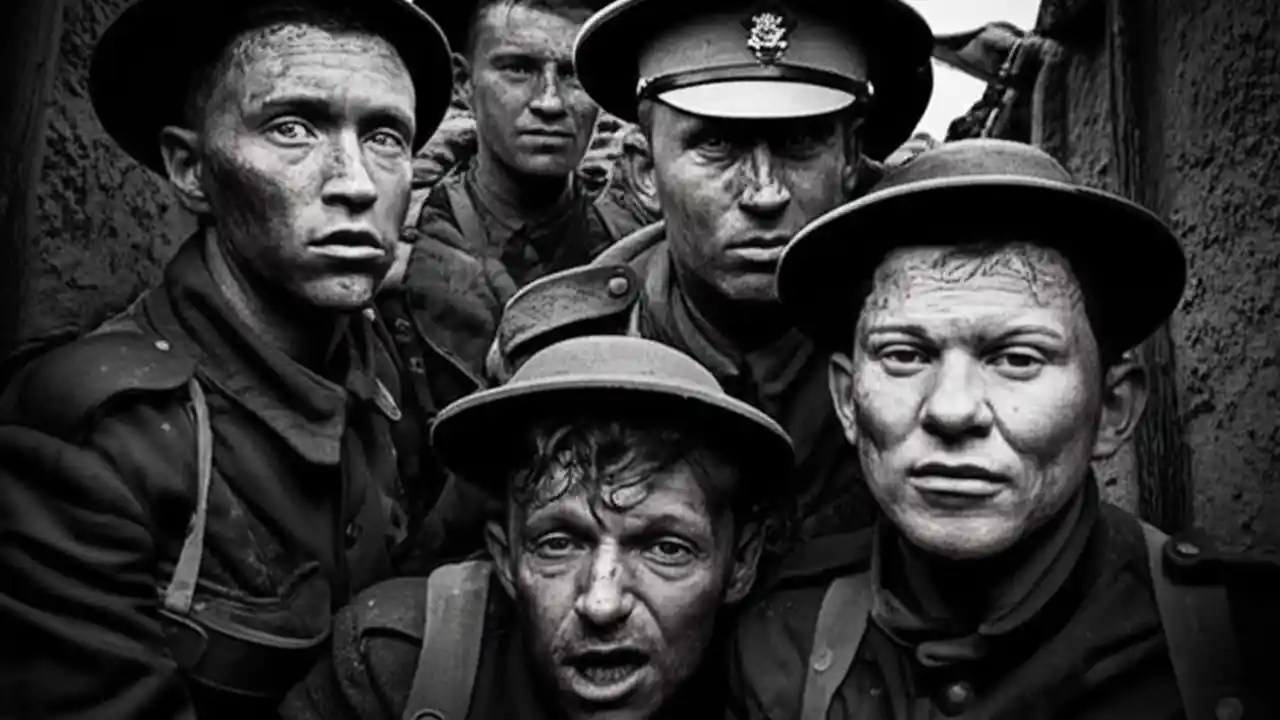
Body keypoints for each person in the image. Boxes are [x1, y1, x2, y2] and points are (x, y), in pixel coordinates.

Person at [0, 1, 478, 717]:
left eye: (384, 137)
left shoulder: (379, 361)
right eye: (292, 129)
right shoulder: (98, 442)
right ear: (190, 169)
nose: (355, 182)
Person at [728, 138, 1280, 719]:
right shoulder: (778, 643)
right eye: (904, 356)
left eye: (1018, 359)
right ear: (847, 400)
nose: (952, 409)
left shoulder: (1243, 647)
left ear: (1114, 409)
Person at [484, 0, 935, 560]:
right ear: (645, 171)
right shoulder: (556, 351)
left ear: (849, 157)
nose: (764, 193)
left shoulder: (933, 349)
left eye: (800, 144)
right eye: (716, 145)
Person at [280, 335, 792, 720]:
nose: (602, 603)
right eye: (559, 544)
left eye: (666, 548)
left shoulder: (786, 685)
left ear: (740, 562)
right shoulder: (396, 665)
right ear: (505, 559)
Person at [377, 0, 648, 381]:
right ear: (463, 82)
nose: (550, 102)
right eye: (518, 69)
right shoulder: (386, 260)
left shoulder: (642, 258)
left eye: (573, 75)